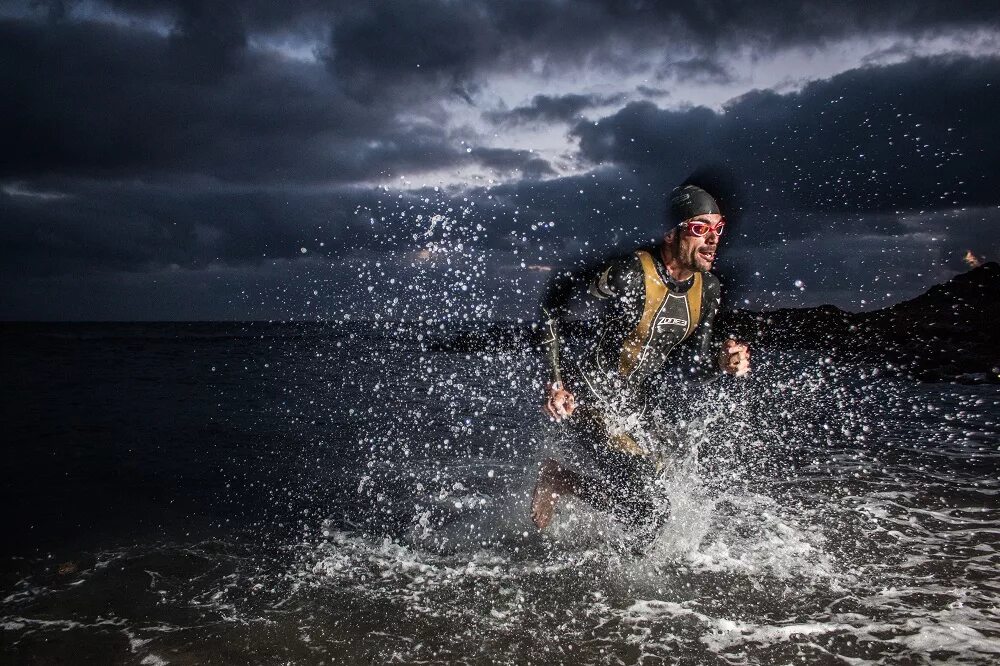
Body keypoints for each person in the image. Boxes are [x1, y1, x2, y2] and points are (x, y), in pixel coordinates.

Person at [530, 183, 750, 541]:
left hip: (632, 406)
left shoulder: (707, 289)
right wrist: (556, 382)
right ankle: (620, 590)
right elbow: (553, 302)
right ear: (670, 233)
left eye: (718, 228)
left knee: (660, 491)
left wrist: (721, 363)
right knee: (651, 509)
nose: (712, 239)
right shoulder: (631, 273)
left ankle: (564, 485)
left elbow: (693, 370)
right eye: (699, 228)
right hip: (589, 396)